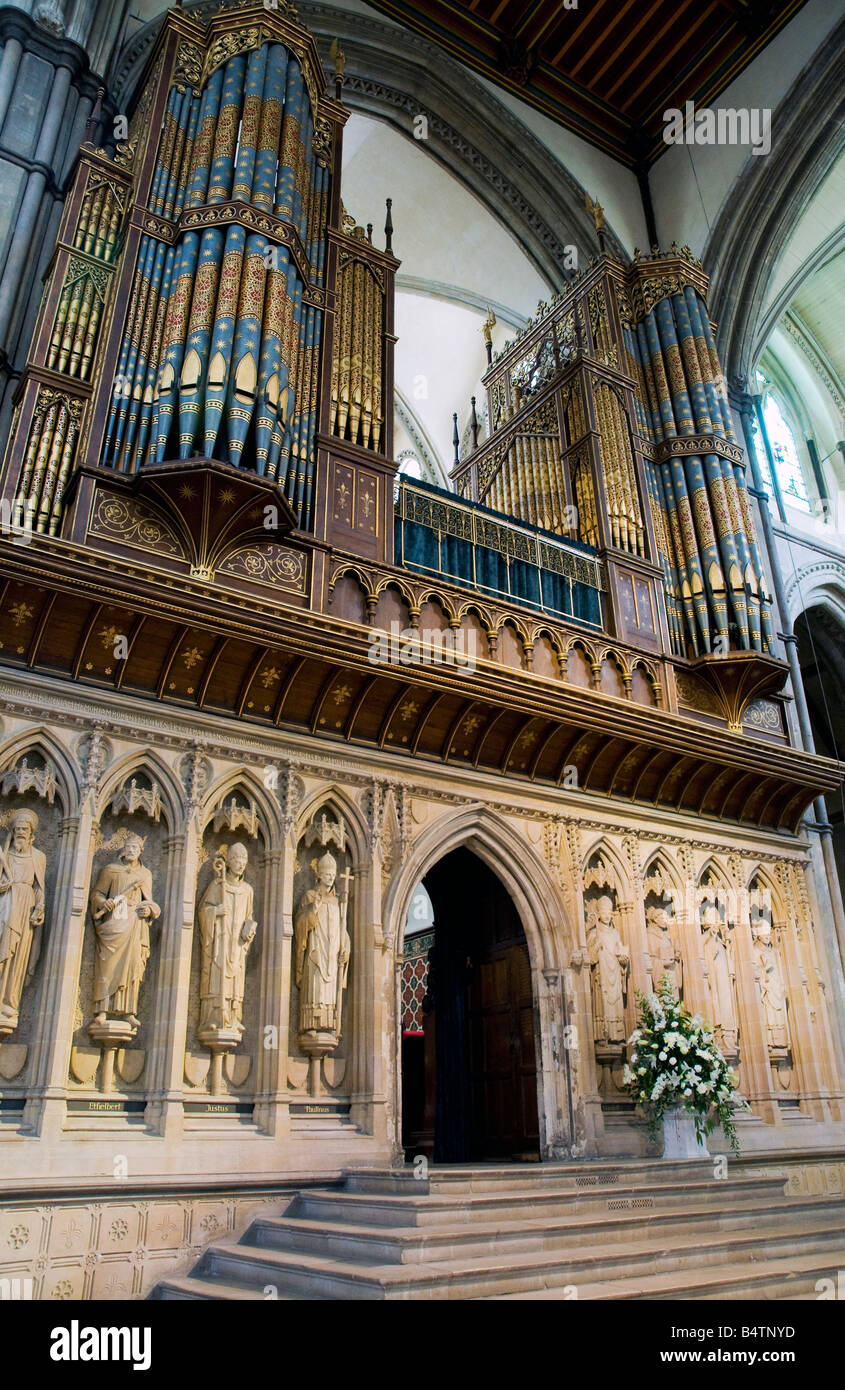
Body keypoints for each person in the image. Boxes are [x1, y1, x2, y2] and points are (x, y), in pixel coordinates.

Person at [90, 832, 159, 1028]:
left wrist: (149, 910)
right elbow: (97, 894)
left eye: (135, 848)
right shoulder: (111, 870)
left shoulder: (145, 875)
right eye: (128, 847)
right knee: (108, 965)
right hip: (115, 921)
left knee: (133, 967)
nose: (131, 851)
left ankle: (129, 1010)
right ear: (123, 849)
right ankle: (102, 1007)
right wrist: (105, 901)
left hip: (135, 923)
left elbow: (151, 902)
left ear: (140, 851)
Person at [197, 842, 256, 1035]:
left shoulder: (248, 890)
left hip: (237, 943)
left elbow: (249, 915)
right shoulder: (218, 885)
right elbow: (203, 911)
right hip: (220, 940)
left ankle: (233, 1016)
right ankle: (213, 1018)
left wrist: (250, 928)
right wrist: (214, 911)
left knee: (236, 977)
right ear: (229, 862)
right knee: (217, 974)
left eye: (243, 861)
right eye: (237, 860)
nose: (240, 864)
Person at [294, 851, 350, 1037]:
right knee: (315, 986)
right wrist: (313, 909)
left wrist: (345, 948)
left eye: (333, 875)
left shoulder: (336, 901)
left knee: (328, 992)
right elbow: (301, 923)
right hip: (316, 949)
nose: (330, 878)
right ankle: (311, 1024)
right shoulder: (310, 896)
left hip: (332, 953)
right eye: (327, 874)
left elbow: (343, 929)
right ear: (318, 874)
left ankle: (328, 1023)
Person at [0, 808, 46, 1033]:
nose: (20, 833)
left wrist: (39, 906)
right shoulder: (4, 855)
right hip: (5, 904)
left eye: (24, 830)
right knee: (2, 948)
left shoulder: (38, 857)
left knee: (18, 957)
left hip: (25, 907)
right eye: (17, 829)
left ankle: (9, 1000)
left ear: (31, 833)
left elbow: (39, 887)